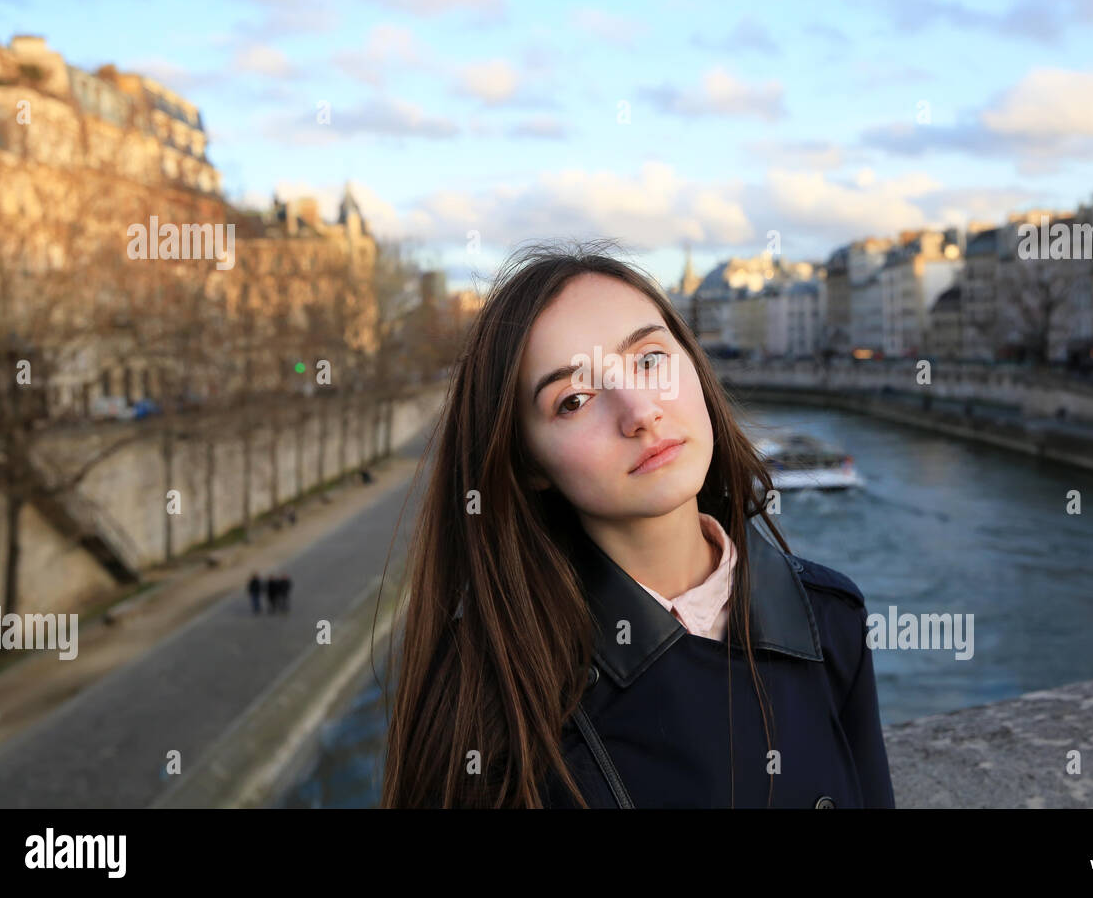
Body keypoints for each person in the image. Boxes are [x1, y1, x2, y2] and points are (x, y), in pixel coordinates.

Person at [381, 240, 895, 809]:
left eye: (649, 360)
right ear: (528, 465)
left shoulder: (832, 620)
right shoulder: (488, 699)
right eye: (574, 399)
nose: (640, 411)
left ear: (694, 365)